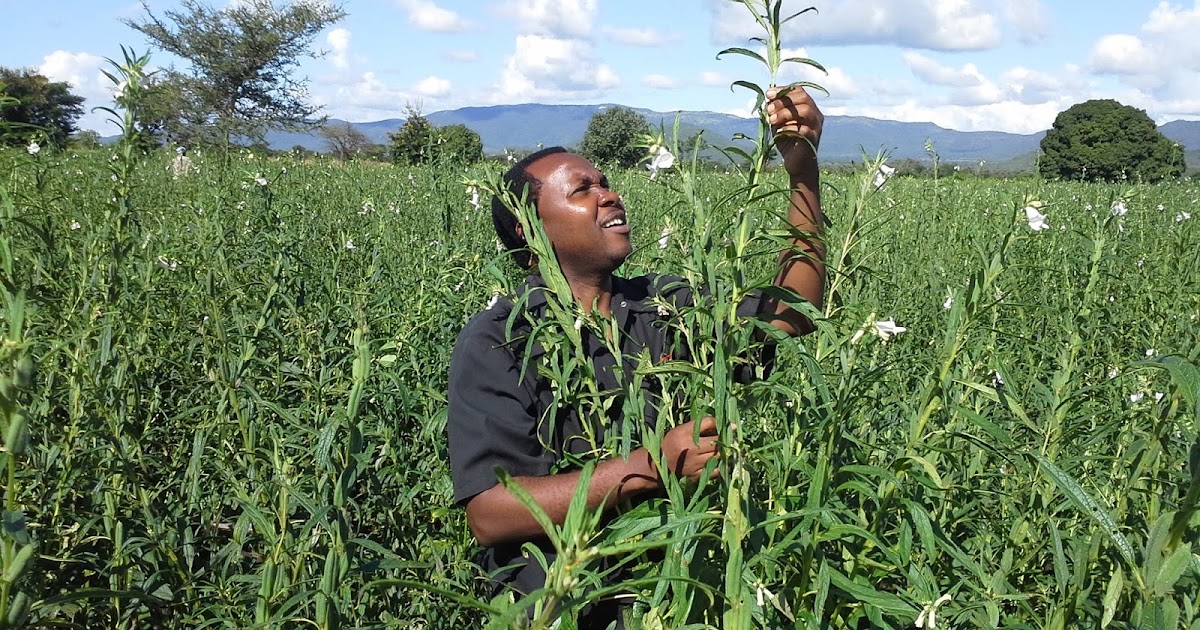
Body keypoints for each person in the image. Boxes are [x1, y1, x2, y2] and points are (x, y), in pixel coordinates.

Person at [446, 86, 825, 626]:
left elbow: (794, 315)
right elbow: (490, 513)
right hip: (567, 607)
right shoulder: (499, 339)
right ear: (530, 234)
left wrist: (802, 172)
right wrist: (649, 468)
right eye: (582, 190)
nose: (609, 195)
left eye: (605, 182)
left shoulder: (665, 305)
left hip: (679, 598)